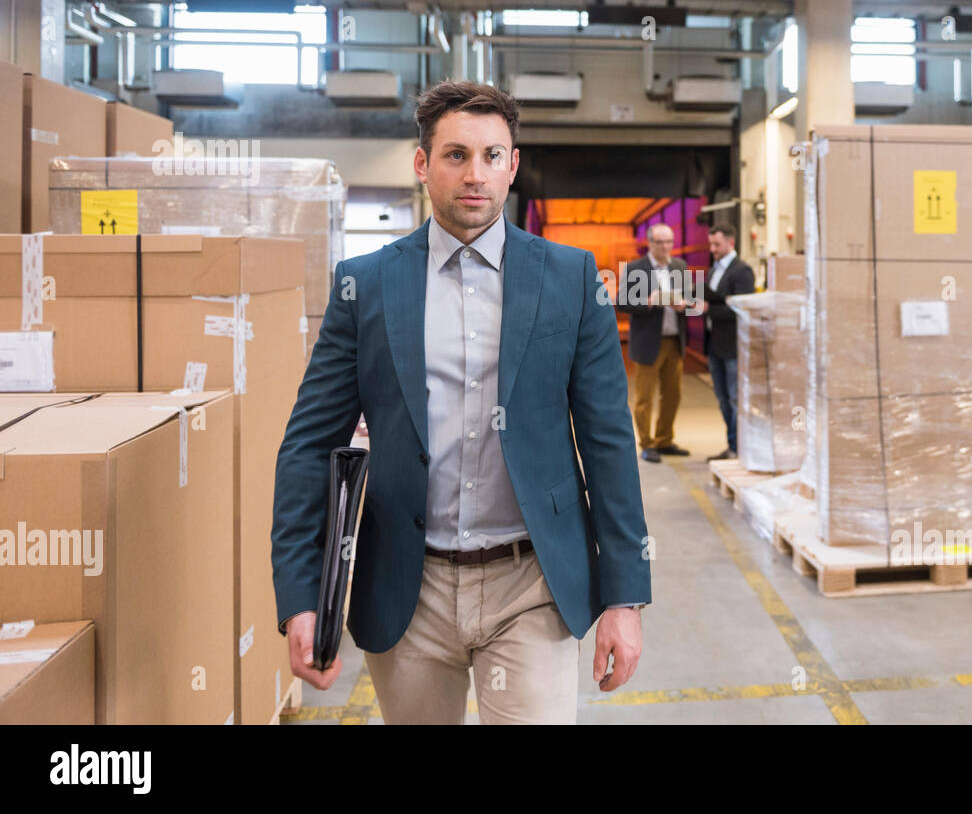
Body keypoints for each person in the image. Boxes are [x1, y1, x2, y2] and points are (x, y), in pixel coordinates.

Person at [271, 81, 650, 724]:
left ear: (513, 165)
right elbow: (309, 444)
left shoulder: (570, 277)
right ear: (422, 165)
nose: (475, 174)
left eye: (492, 155)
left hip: (530, 583)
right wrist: (302, 596)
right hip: (406, 587)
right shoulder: (366, 285)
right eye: (455, 155)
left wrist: (624, 598)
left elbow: (607, 439)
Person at [617, 224, 691, 463]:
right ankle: (647, 443)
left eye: (669, 241)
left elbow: (691, 298)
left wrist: (685, 304)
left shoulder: (679, 266)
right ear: (650, 243)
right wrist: (648, 302)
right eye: (660, 242)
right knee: (644, 397)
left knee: (673, 395)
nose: (665, 247)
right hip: (649, 342)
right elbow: (622, 303)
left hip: (673, 341)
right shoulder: (636, 268)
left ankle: (664, 440)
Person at [697, 223, 754, 460]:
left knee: (734, 398)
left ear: (731, 242)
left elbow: (742, 309)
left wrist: (709, 309)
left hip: (732, 346)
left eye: (717, 244)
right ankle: (732, 445)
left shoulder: (742, 271)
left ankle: (739, 448)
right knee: (721, 397)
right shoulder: (713, 271)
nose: (712, 249)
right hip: (714, 345)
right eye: (711, 244)